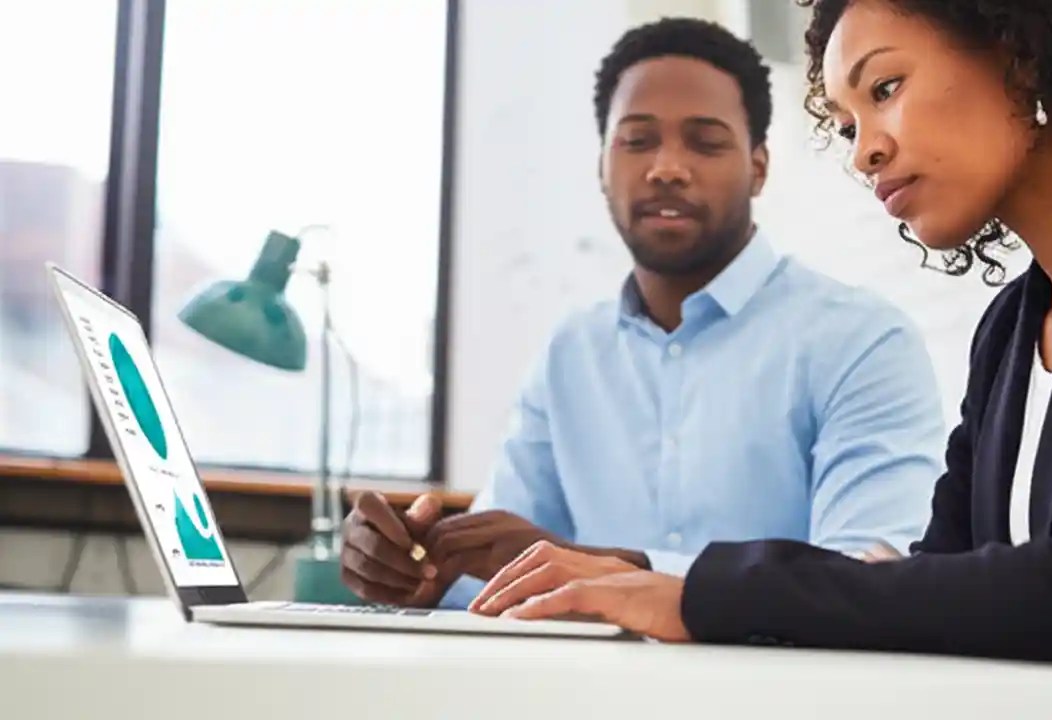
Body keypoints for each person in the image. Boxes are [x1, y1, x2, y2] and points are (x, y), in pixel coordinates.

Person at [472, 1, 1052, 714]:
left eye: (885, 90)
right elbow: (933, 594)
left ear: (1020, 48)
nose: (863, 153)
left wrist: (704, 596)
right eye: (850, 123)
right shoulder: (1010, 329)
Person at [339, 17, 945, 610]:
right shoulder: (570, 355)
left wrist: (613, 571)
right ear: (601, 165)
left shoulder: (861, 342)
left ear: (759, 167)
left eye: (706, 142)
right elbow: (497, 574)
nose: (667, 168)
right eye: (636, 140)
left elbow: (865, 582)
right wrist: (424, 576)